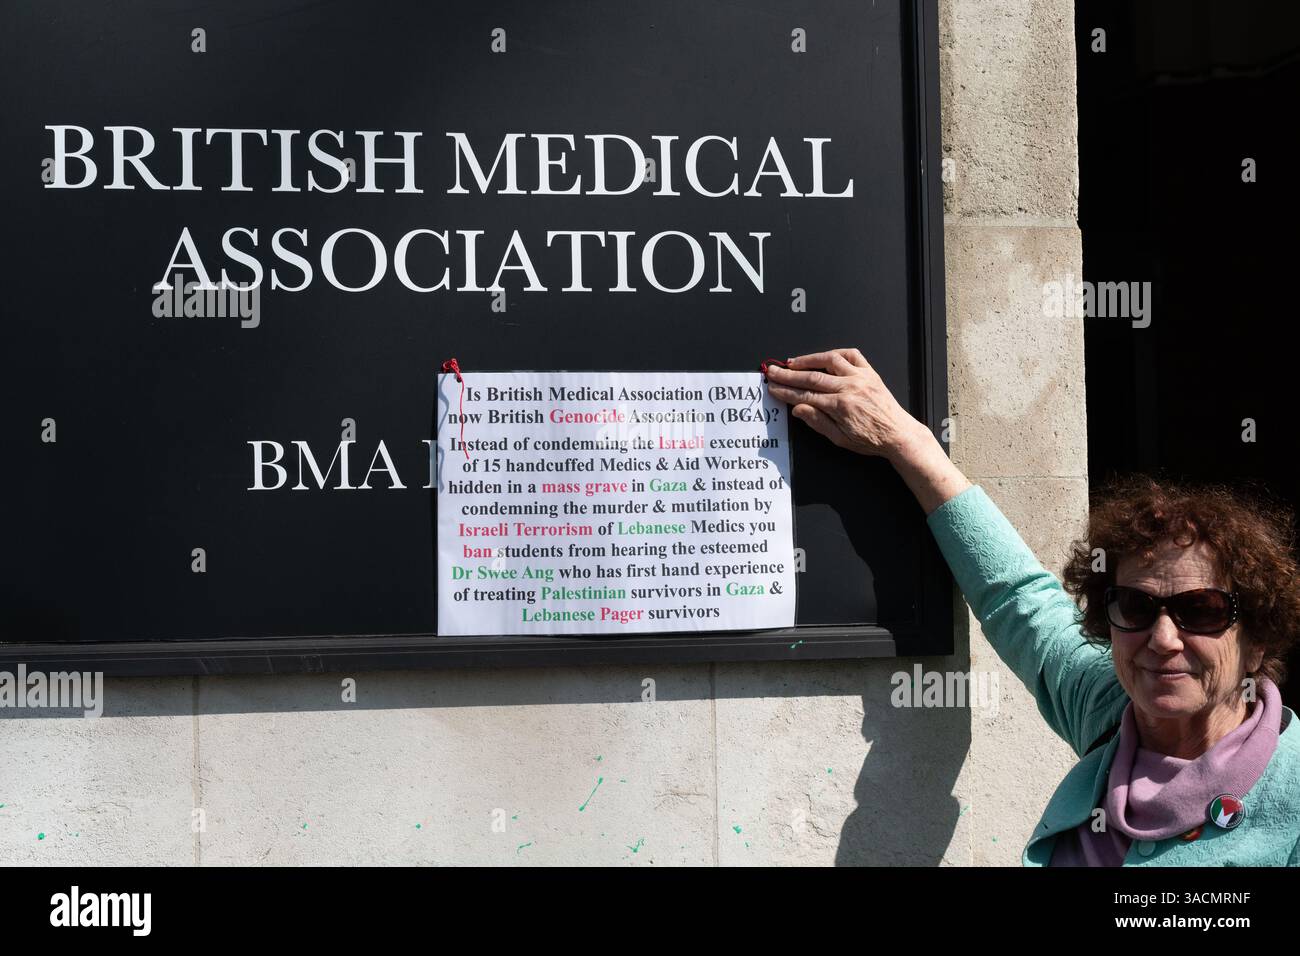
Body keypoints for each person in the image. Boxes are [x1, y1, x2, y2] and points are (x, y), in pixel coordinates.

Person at [765, 348, 1300, 865]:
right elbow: (1018, 596)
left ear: (1256, 641)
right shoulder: (1108, 708)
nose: (1162, 638)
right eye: (1135, 607)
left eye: (1201, 610)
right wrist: (908, 443)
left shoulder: (1290, 798)